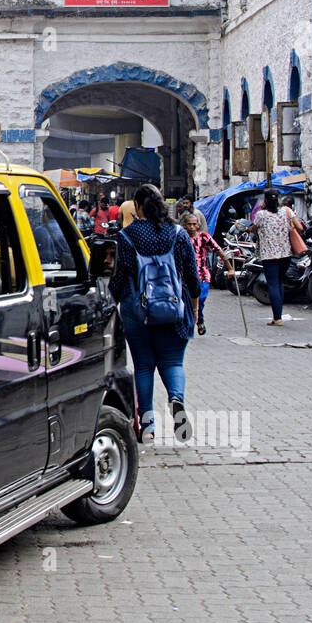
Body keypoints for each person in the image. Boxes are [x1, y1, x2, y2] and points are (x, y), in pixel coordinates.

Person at [108, 184, 201, 444]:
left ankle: (147, 426)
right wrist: (194, 308)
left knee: (144, 366)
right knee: (173, 362)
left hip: (138, 312)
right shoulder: (178, 233)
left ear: (137, 207)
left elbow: (119, 279)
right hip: (174, 309)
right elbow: (193, 278)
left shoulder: (126, 236)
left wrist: (110, 303)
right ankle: (176, 400)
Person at [179, 212, 235, 335]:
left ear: (198, 225)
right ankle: (197, 321)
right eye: (189, 225)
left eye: (194, 224)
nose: (192, 227)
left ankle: (197, 319)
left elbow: (219, 251)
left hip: (202, 274)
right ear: (185, 226)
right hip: (186, 276)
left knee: (201, 298)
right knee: (189, 300)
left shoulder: (204, 237)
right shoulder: (182, 238)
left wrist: (230, 268)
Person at [251, 190, 301, 326]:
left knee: (273, 284)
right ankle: (277, 316)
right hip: (285, 253)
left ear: (265, 200)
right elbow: (299, 227)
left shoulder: (261, 215)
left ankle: (277, 318)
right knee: (279, 283)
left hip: (269, 255)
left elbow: (254, 229)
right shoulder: (286, 211)